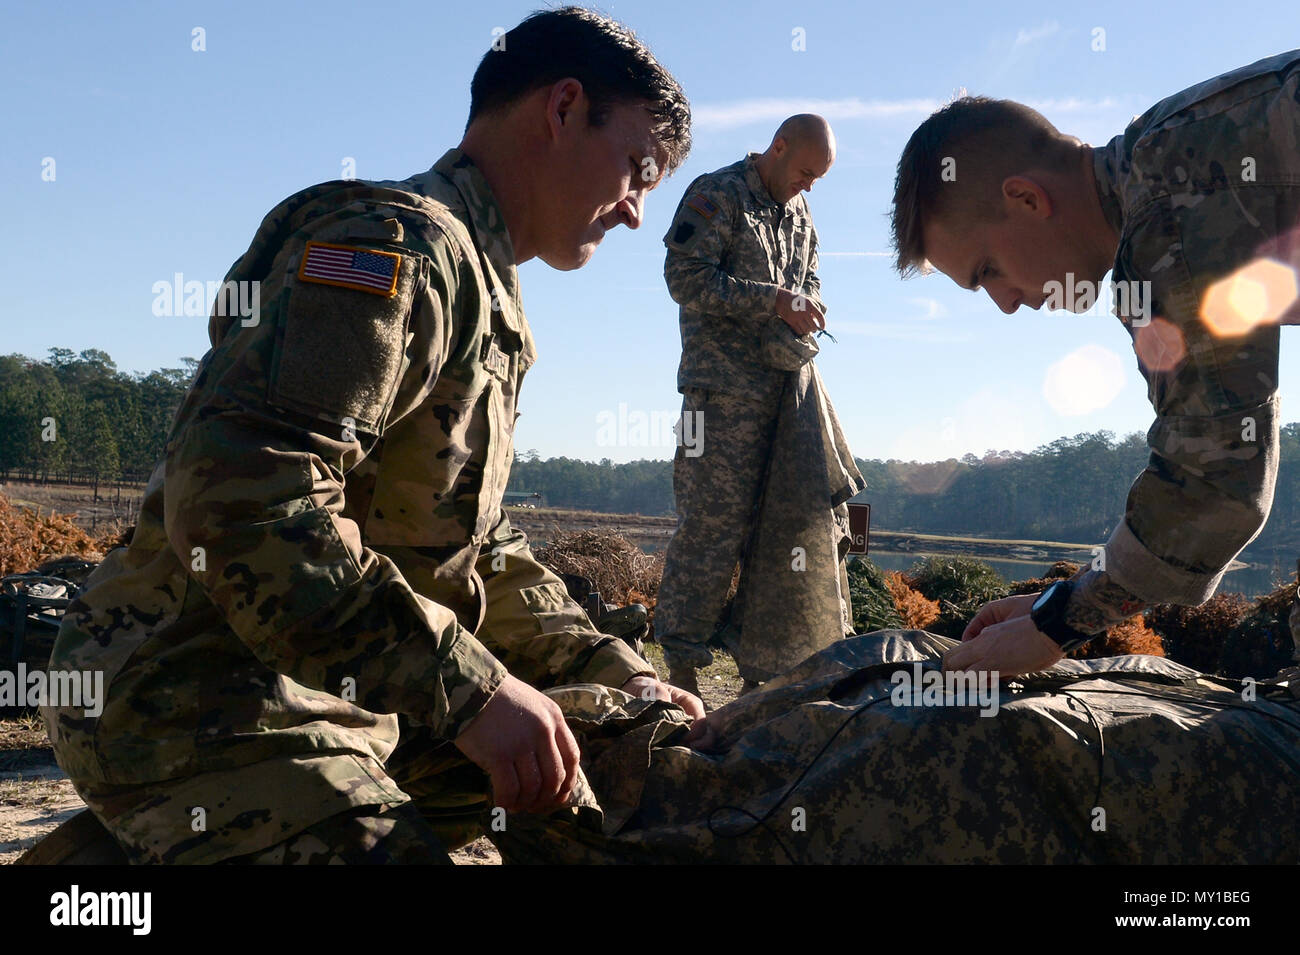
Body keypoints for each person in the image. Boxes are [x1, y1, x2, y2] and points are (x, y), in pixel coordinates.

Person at [41, 6, 700, 865]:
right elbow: (246, 506)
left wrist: (617, 671)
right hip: (196, 697)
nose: (637, 211)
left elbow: (477, 549)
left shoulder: (483, 288)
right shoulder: (392, 249)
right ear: (564, 107)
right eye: (638, 169)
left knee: (615, 772)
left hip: (344, 700)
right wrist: (471, 692)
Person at [889, 49, 1300, 677]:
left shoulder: (1164, 218)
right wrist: (1064, 600)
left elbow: (1214, 485)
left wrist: (1059, 624)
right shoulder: (1170, 151)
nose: (1005, 305)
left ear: (1026, 198)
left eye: (987, 272)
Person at [656, 114, 849, 695]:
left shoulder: (800, 214)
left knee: (779, 532)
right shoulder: (717, 194)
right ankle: (683, 671)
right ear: (778, 146)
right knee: (707, 532)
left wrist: (805, 310)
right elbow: (683, 276)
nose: (809, 186)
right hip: (713, 398)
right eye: (805, 172)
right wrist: (774, 302)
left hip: (782, 397)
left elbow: (809, 283)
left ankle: (759, 673)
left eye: (819, 178)